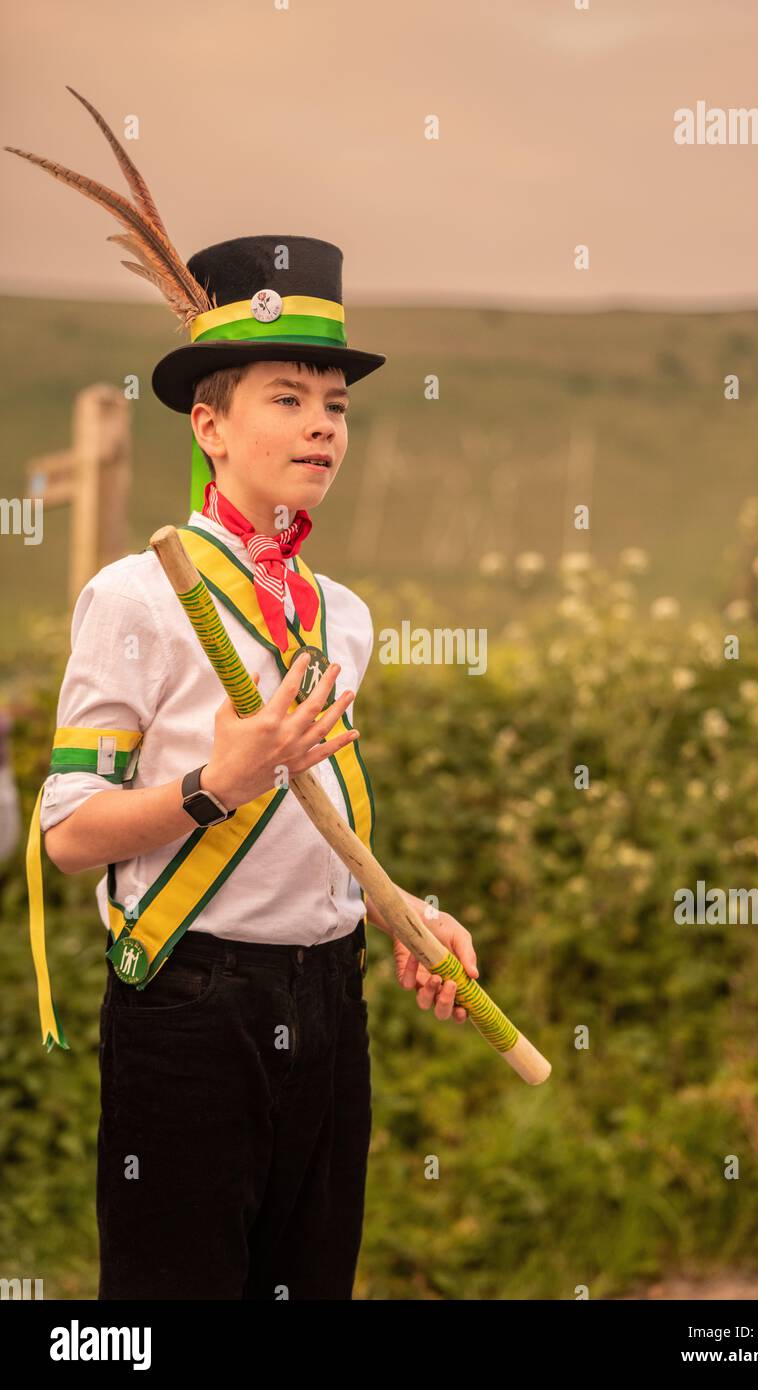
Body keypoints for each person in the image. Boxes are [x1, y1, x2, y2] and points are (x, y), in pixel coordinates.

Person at [15, 89, 479, 1300]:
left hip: (330, 1007)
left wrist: (405, 916)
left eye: (336, 404)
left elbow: (311, 835)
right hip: (188, 1013)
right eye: (288, 397)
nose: (323, 425)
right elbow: (68, 837)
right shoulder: (133, 596)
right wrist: (217, 780)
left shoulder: (344, 618)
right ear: (209, 426)